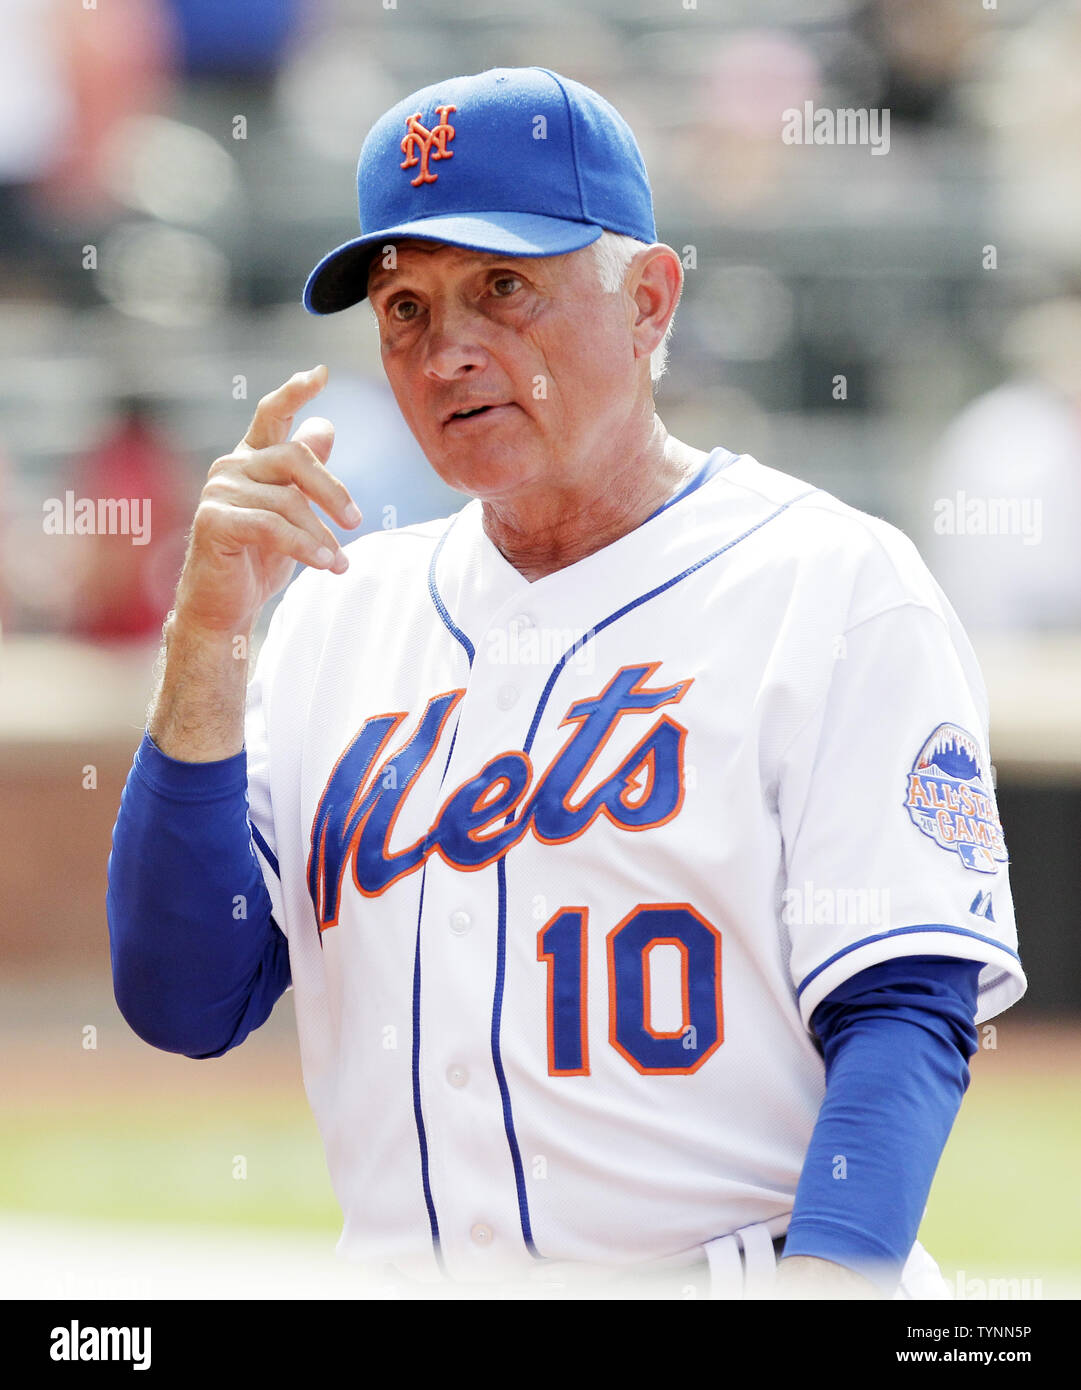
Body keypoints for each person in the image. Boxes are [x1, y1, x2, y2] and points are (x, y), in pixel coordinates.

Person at [107, 67, 1025, 1300]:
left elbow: (906, 1008)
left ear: (649, 302)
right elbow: (184, 997)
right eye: (404, 310)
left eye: (504, 287)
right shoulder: (335, 610)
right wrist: (207, 633)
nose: (449, 353)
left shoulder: (831, 583)